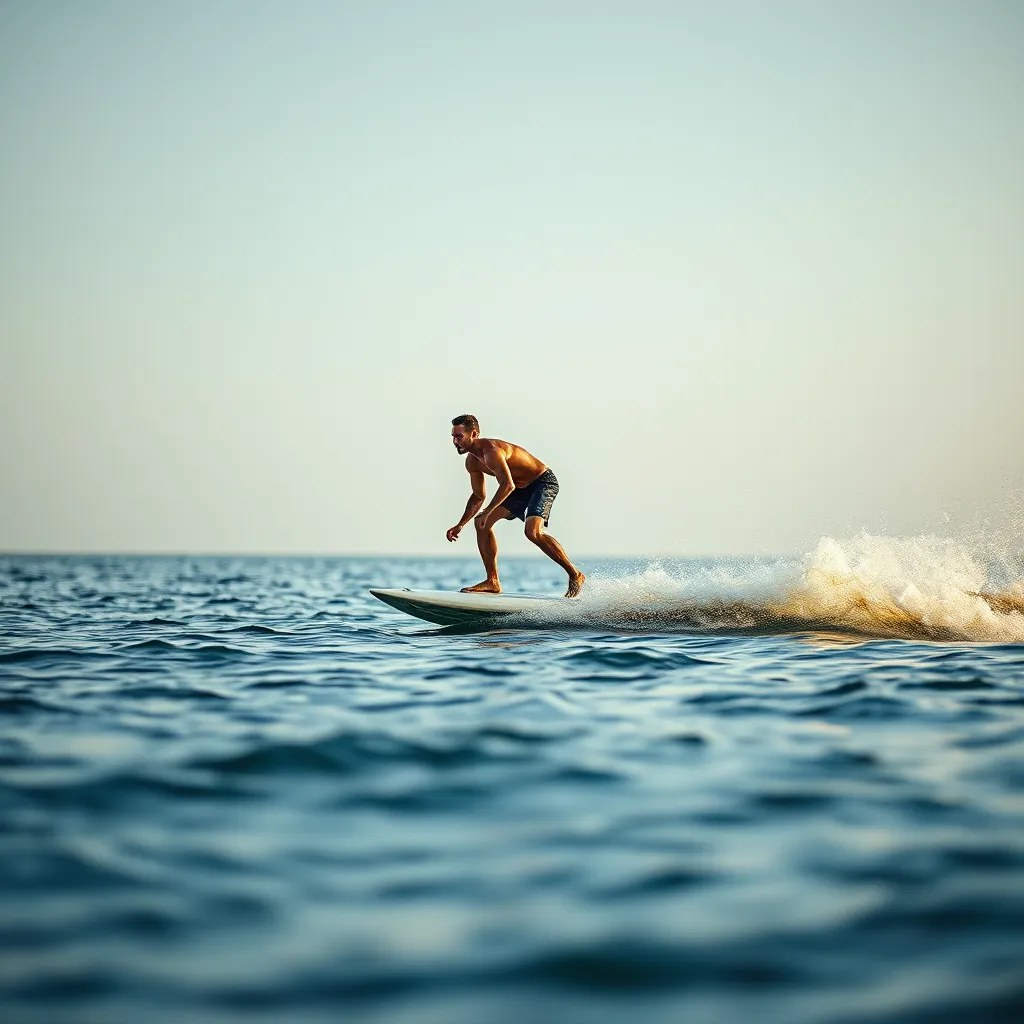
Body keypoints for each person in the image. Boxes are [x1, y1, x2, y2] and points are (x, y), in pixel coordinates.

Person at [446, 414, 585, 598]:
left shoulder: (492, 451)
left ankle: (575, 574)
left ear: (474, 434)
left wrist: (489, 511)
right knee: (481, 522)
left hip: (541, 482)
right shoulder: (472, 462)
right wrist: (461, 524)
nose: (455, 442)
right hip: (518, 488)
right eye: (453, 437)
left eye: (459, 437)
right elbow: (478, 495)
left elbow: (507, 485)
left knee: (532, 532)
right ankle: (492, 581)